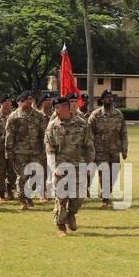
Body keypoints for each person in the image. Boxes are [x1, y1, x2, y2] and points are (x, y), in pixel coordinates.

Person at [44, 94, 95, 236]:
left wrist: (90, 165)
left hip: (79, 166)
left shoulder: (81, 124)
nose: (56, 111)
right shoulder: (53, 127)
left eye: (58, 108)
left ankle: (71, 214)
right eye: (55, 108)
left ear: (67, 108)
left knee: (78, 197)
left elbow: (89, 146)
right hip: (61, 168)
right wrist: (54, 169)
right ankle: (61, 226)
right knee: (61, 198)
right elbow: (50, 150)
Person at [5, 91, 47, 210]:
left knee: (35, 176)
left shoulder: (38, 116)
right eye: (28, 99)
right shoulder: (14, 116)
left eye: (31, 99)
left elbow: (44, 134)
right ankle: (23, 200)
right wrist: (9, 152)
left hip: (36, 152)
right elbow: (9, 136)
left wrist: (44, 150)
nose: (31, 101)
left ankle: (28, 195)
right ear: (22, 101)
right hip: (20, 152)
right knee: (22, 176)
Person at [86, 89, 128, 208]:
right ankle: (105, 199)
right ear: (102, 100)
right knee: (104, 173)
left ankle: (106, 192)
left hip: (114, 150)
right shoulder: (95, 115)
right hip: (100, 150)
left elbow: (123, 133)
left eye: (111, 97)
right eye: (107, 98)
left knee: (114, 173)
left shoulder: (119, 115)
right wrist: (91, 151)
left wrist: (124, 149)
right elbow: (89, 134)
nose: (109, 99)